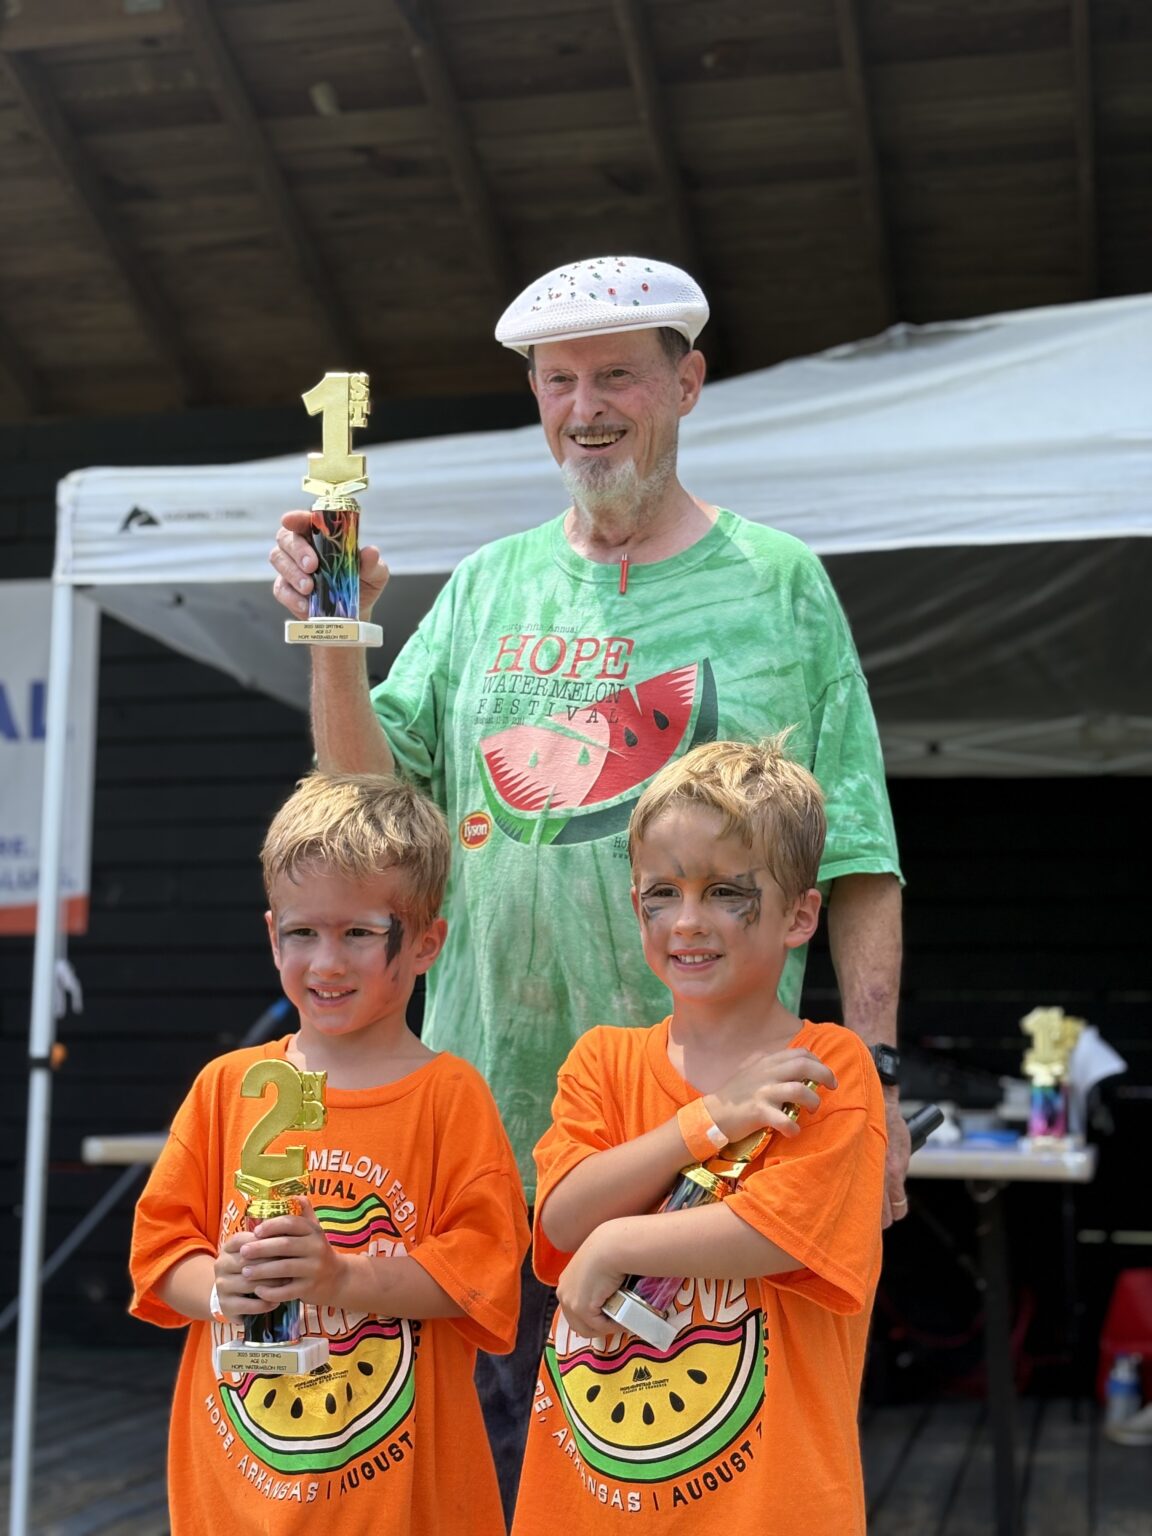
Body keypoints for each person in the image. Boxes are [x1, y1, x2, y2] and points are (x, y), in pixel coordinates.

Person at [268, 254, 905, 1511]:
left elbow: (859, 854)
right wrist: (337, 635)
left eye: (617, 374)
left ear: (688, 384)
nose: (586, 406)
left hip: (719, 1135)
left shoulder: (779, 584)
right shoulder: (489, 588)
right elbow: (379, 809)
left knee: (694, 1471)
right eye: (559, 382)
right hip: (492, 1124)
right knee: (497, 1488)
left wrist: (877, 1075)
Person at [128, 772, 529, 1536]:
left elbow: (480, 1276)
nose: (326, 963)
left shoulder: (452, 1096)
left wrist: (340, 1275)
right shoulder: (227, 1086)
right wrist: (221, 1287)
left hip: (405, 1506)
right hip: (235, 1500)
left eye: (358, 933)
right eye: (303, 934)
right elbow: (159, 1255)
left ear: (427, 943)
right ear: (271, 931)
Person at [511, 736, 886, 1531]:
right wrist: (711, 1119)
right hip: (585, 1506)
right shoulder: (602, 1061)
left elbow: (780, 1233)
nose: (687, 921)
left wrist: (615, 1250)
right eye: (662, 892)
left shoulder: (831, 1064)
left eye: (724, 893)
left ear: (800, 914)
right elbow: (562, 1218)